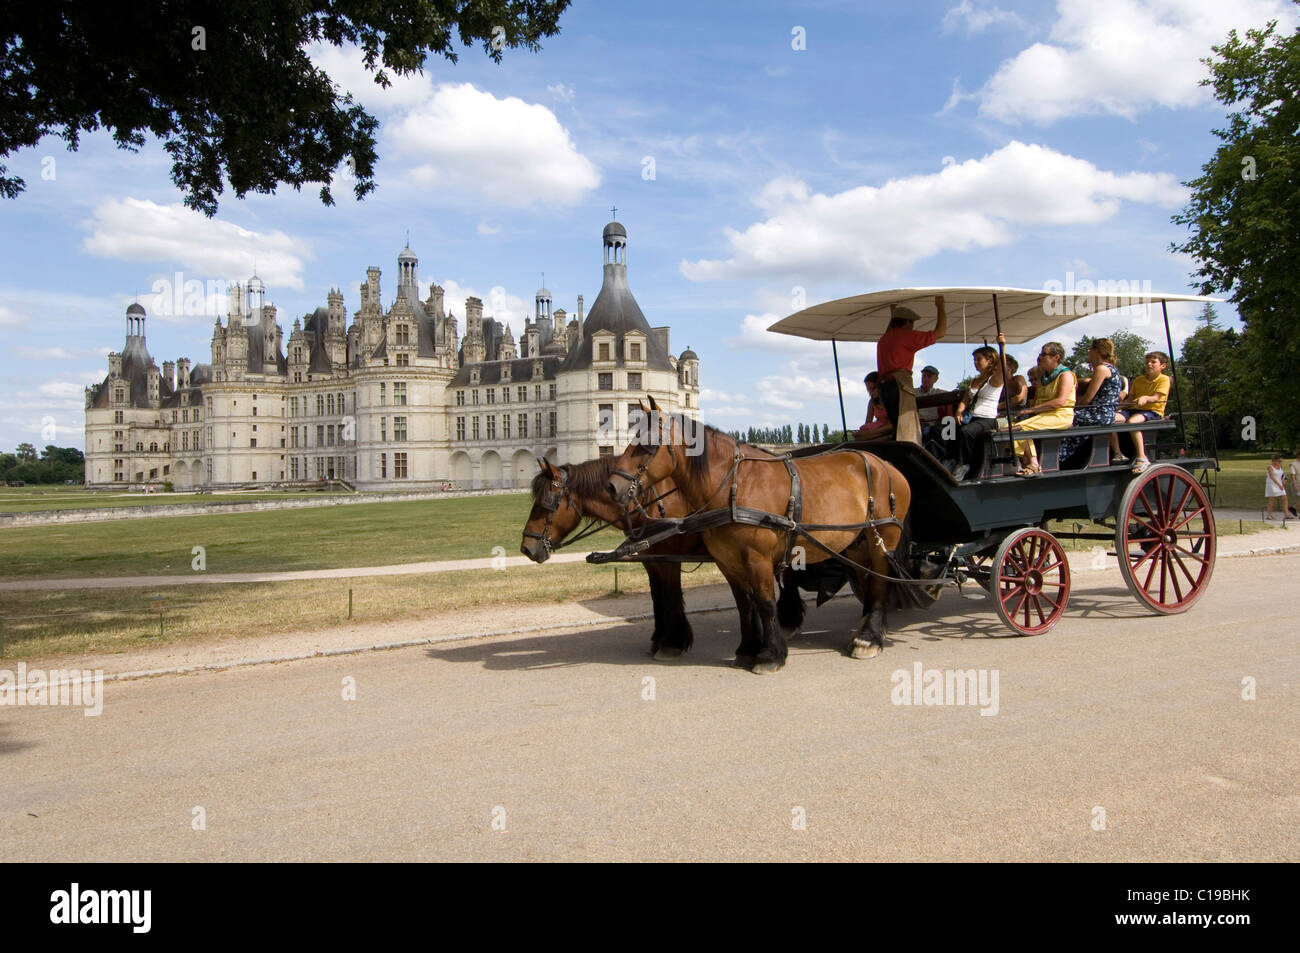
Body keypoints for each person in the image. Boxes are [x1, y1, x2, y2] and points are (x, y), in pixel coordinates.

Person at [996, 341, 1075, 476]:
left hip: (1060, 415)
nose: (1039, 357)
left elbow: (1060, 401)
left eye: (1043, 354)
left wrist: (1030, 410)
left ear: (1056, 357)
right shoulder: (1044, 377)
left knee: (1019, 429)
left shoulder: (1065, 375)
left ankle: (1033, 464)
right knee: (1007, 426)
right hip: (1043, 415)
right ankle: (1019, 462)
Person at [877, 297, 947, 445]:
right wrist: (940, 306)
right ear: (907, 322)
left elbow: (891, 330)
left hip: (885, 386)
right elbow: (940, 332)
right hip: (899, 383)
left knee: (897, 426)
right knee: (907, 428)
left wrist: (893, 312)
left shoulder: (884, 338)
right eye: (912, 323)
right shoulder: (905, 336)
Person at [1060, 337, 1122, 465]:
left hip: (1099, 413)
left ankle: (1061, 458)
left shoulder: (1101, 369)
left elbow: (1088, 398)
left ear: (1096, 351)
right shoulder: (1110, 368)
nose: (1088, 352)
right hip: (1104, 412)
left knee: (1065, 419)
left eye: (1090, 349)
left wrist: (1070, 408)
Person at [950, 344, 1004, 480]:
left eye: (978, 359)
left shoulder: (995, 379)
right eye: (974, 360)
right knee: (944, 428)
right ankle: (949, 458)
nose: (975, 363)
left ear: (990, 361)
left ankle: (964, 465)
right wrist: (959, 412)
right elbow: (965, 400)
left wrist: (1001, 346)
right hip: (972, 418)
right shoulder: (974, 380)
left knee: (966, 431)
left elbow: (1002, 368)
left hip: (987, 419)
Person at [1117, 351, 1171, 474]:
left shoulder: (1164, 379)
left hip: (1153, 411)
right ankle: (1118, 453)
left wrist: (1145, 398)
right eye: (1147, 362)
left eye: (1153, 362)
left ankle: (1142, 457)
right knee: (1111, 418)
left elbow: (1156, 397)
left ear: (1163, 366)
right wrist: (1117, 407)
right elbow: (1130, 400)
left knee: (1132, 422)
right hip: (1134, 409)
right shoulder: (1138, 380)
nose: (1149, 364)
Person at [855, 371, 893, 439]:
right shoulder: (872, 402)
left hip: (888, 429)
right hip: (877, 429)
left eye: (873, 388)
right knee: (859, 436)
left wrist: (871, 432)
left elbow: (891, 425)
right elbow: (868, 422)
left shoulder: (890, 400)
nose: (871, 392)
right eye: (868, 390)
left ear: (880, 386)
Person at [917, 365, 942, 437]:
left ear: (936, 379)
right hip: (915, 425)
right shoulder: (913, 392)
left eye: (929, 376)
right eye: (924, 376)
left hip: (932, 426)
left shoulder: (939, 393)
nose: (925, 379)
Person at [1266, 455, 1289, 520]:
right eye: (1279, 461)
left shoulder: (1280, 467)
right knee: (1272, 499)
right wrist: (1279, 485)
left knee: (1284, 498)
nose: (1280, 462)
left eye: (1281, 461)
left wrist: (1285, 479)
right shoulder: (1270, 467)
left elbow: (1282, 475)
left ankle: (1286, 514)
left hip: (1280, 484)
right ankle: (1269, 515)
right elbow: (1272, 477)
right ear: (1274, 460)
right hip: (1272, 485)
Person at [1288, 450, 1300, 517]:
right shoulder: (1293, 464)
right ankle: (1293, 508)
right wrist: (1295, 485)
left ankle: (1293, 508)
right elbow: (1293, 476)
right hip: (1298, 483)